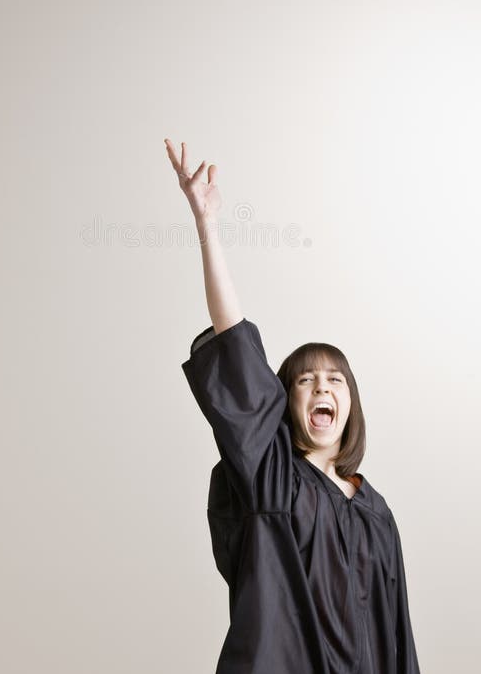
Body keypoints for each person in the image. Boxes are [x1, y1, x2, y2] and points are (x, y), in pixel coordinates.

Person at [164, 138, 422, 674]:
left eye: (335, 380)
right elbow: (234, 342)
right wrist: (208, 226)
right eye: (305, 380)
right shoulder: (273, 478)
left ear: (351, 403)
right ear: (284, 401)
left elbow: (398, 637)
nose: (322, 387)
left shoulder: (377, 514)